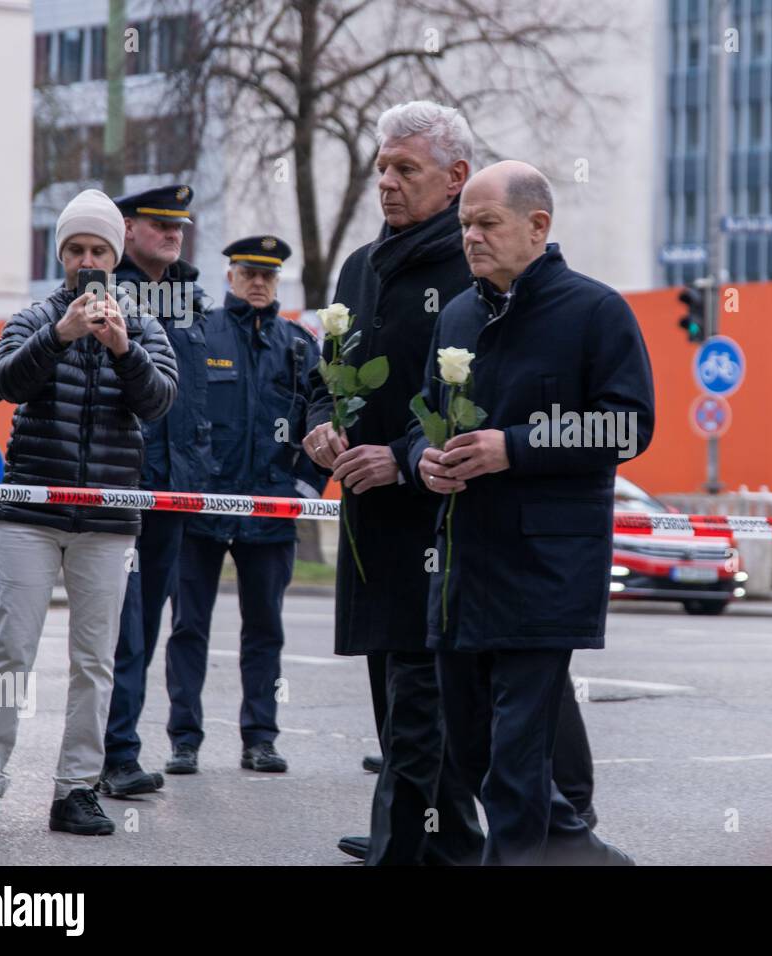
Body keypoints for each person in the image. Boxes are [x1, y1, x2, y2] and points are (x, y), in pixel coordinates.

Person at [409, 160, 654, 865]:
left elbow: (627, 426)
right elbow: (424, 420)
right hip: (461, 568)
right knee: (474, 746)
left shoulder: (596, 311)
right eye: (464, 226)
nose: (471, 239)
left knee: (515, 762)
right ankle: (582, 854)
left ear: (537, 226)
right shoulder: (456, 313)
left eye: (486, 224)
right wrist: (422, 459)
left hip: (548, 569)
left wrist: (512, 448)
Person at [0, 189, 177, 837]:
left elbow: (159, 401)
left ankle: (77, 788)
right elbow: (7, 385)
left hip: (108, 520)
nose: (88, 261)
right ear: (62, 256)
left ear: (115, 256)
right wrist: (59, 335)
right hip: (30, 510)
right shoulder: (33, 318)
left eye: (99, 250)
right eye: (76, 250)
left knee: (94, 659)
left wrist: (121, 348)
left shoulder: (141, 323)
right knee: (11, 651)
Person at [302, 100, 486, 865]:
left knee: (420, 703)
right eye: (381, 166)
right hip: (370, 523)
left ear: (456, 179)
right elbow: (325, 375)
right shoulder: (359, 265)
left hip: (438, 525)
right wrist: (320, 424)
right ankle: (451, 838)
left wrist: (402, 459)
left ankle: (403, 844)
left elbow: (470, 404)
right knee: (395, 698)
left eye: (404, 169)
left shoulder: (474, 265)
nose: (386, 182)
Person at [162, 235, 325, 775]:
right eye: (248, 272)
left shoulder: (299, 346)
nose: (258, 282)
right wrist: (186, 485)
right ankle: (184, 739)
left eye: (268, 275)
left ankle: (260, 738)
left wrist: (304, 490)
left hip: (271, 511)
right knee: (189, 628)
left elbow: (323, 423)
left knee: (265, 630)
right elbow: (175, 418)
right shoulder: (198, 333)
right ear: (229, 275)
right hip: (202, 510)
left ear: (278, 282)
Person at [100, 184, 213, 799]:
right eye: (160, 223)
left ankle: (113, 749)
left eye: (179, 225)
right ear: (127, 229)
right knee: (122, 633)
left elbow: (197, 400)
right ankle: (115, 755)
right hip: (118, 486)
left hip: (172, 490)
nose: (174, 233)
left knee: (143, 629)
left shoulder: (192, 299)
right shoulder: (103, 293)